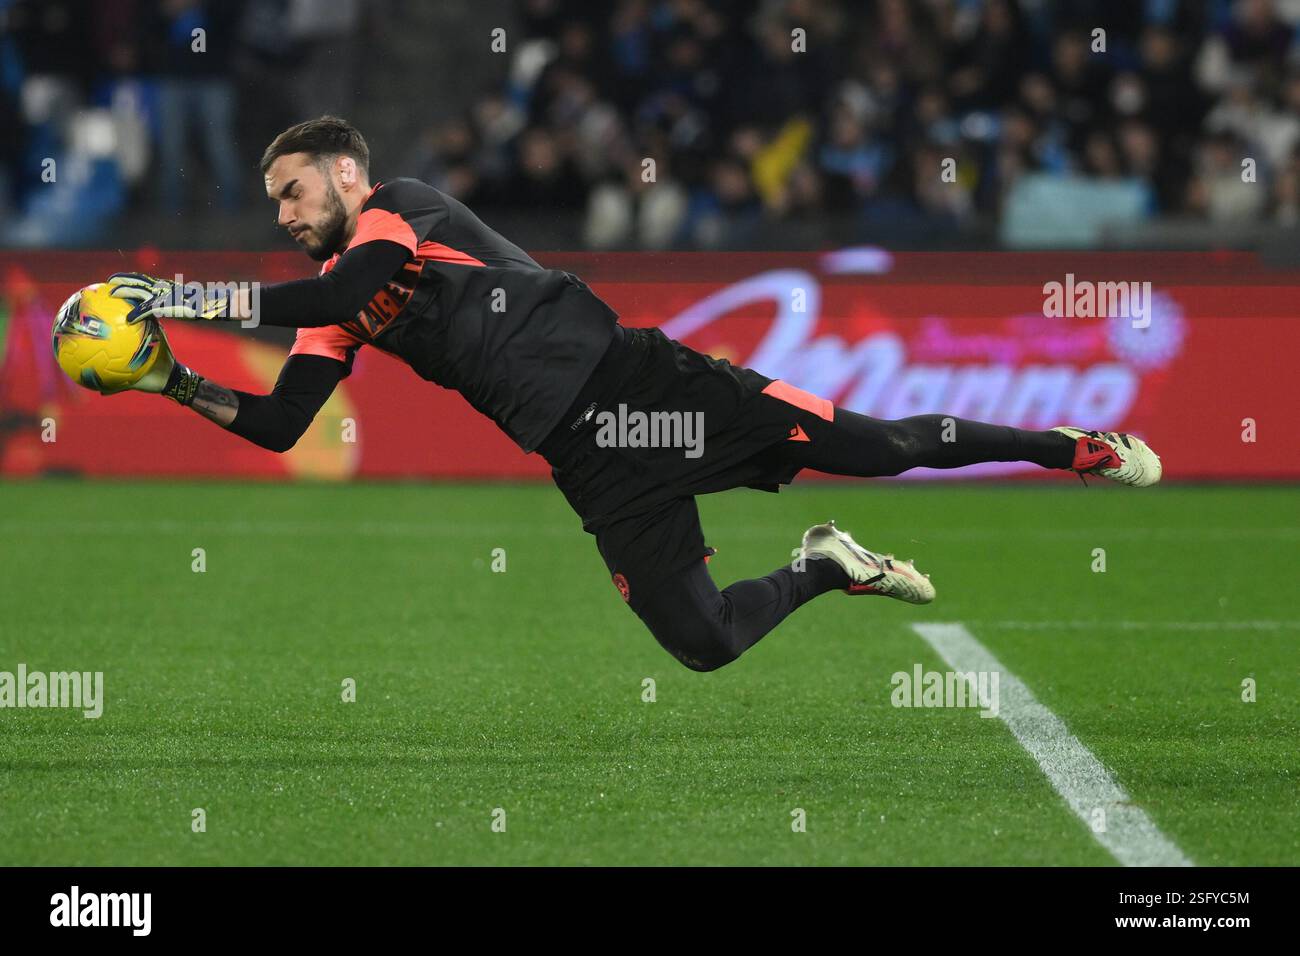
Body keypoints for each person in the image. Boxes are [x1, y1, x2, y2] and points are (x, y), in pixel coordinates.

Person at [105, 116, 1162, 672]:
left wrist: (185, 292)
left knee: (881, 444)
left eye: (290, 190)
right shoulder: (340, 304)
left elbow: (339, 283)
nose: (283, 211)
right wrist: (173, 378)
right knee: (702, 643)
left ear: (342, 173)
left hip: (645, 385)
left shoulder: (399, 211)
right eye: (273, 201)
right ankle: (828, 568)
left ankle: (1071, 447)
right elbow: (286, 420)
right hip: (591, 455)